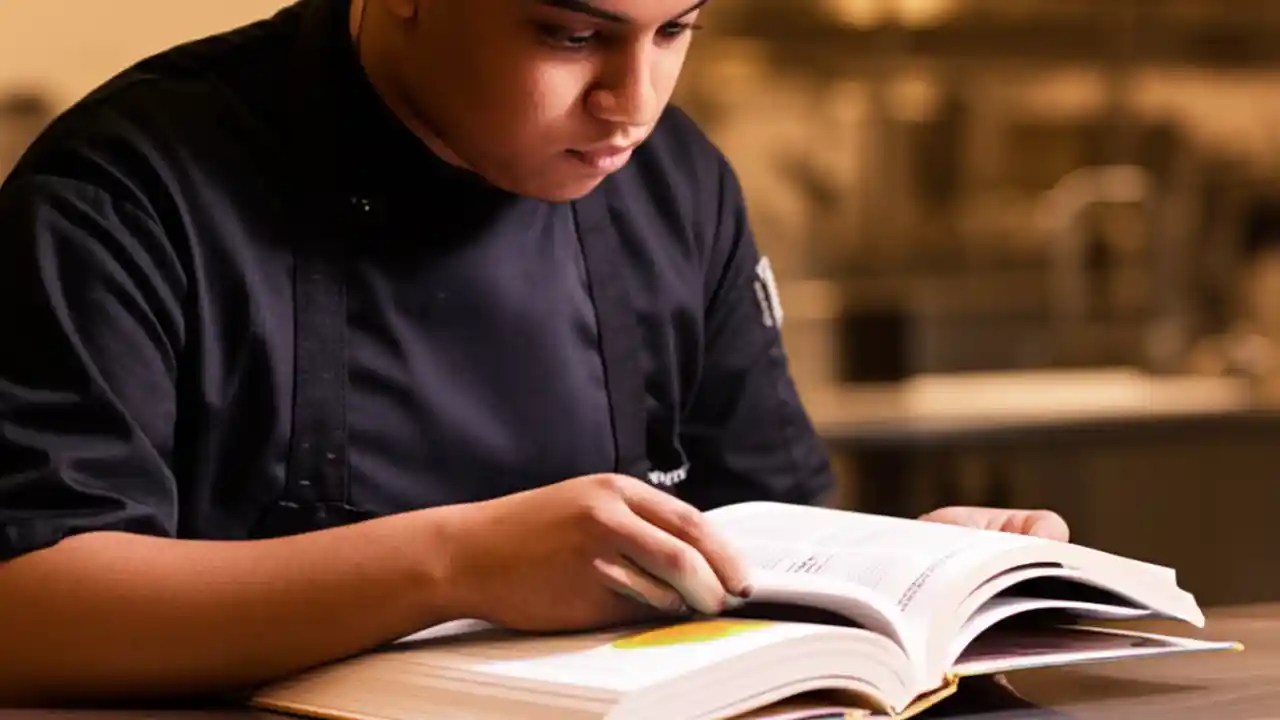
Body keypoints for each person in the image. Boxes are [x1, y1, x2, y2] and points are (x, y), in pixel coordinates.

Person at [0, 0, 1068, 705]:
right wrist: (456, 565)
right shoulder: (128, 191)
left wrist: (912, 568)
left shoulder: (675, 187)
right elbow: (29, 605)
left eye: (673, 30)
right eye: (569, 35)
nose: (632, 102)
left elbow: (758, 530)